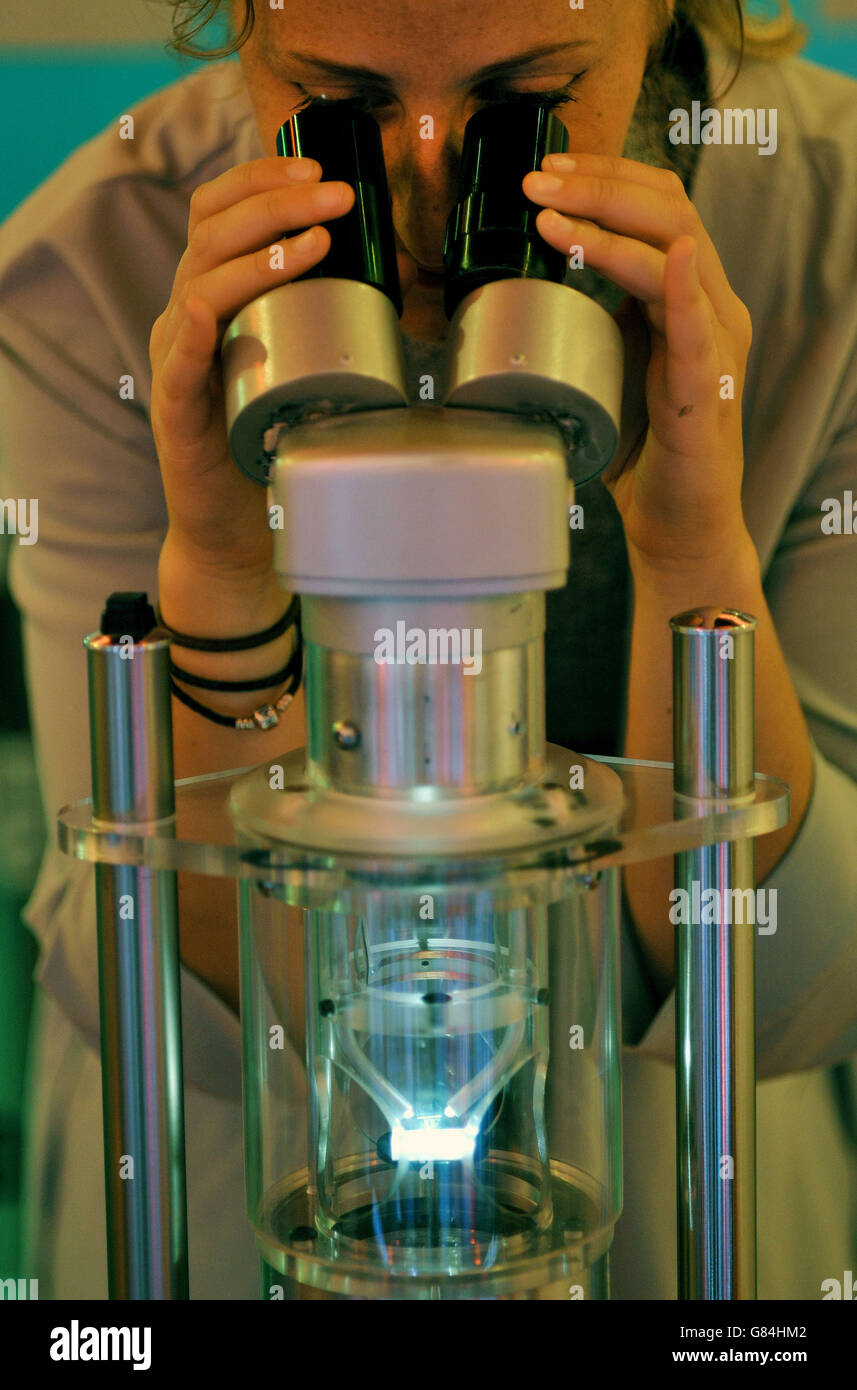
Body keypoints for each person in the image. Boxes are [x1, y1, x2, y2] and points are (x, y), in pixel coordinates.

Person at [0, 0, 855, 1299]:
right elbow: (204, 1016)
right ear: (235, 25)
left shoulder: (832, 230)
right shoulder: (86, 269)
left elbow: (797, 977)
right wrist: (226, 572)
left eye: (528, 91)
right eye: (334, 88)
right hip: (234, 1198)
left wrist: (692, 551)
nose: (425, 172)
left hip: (694, 1196)